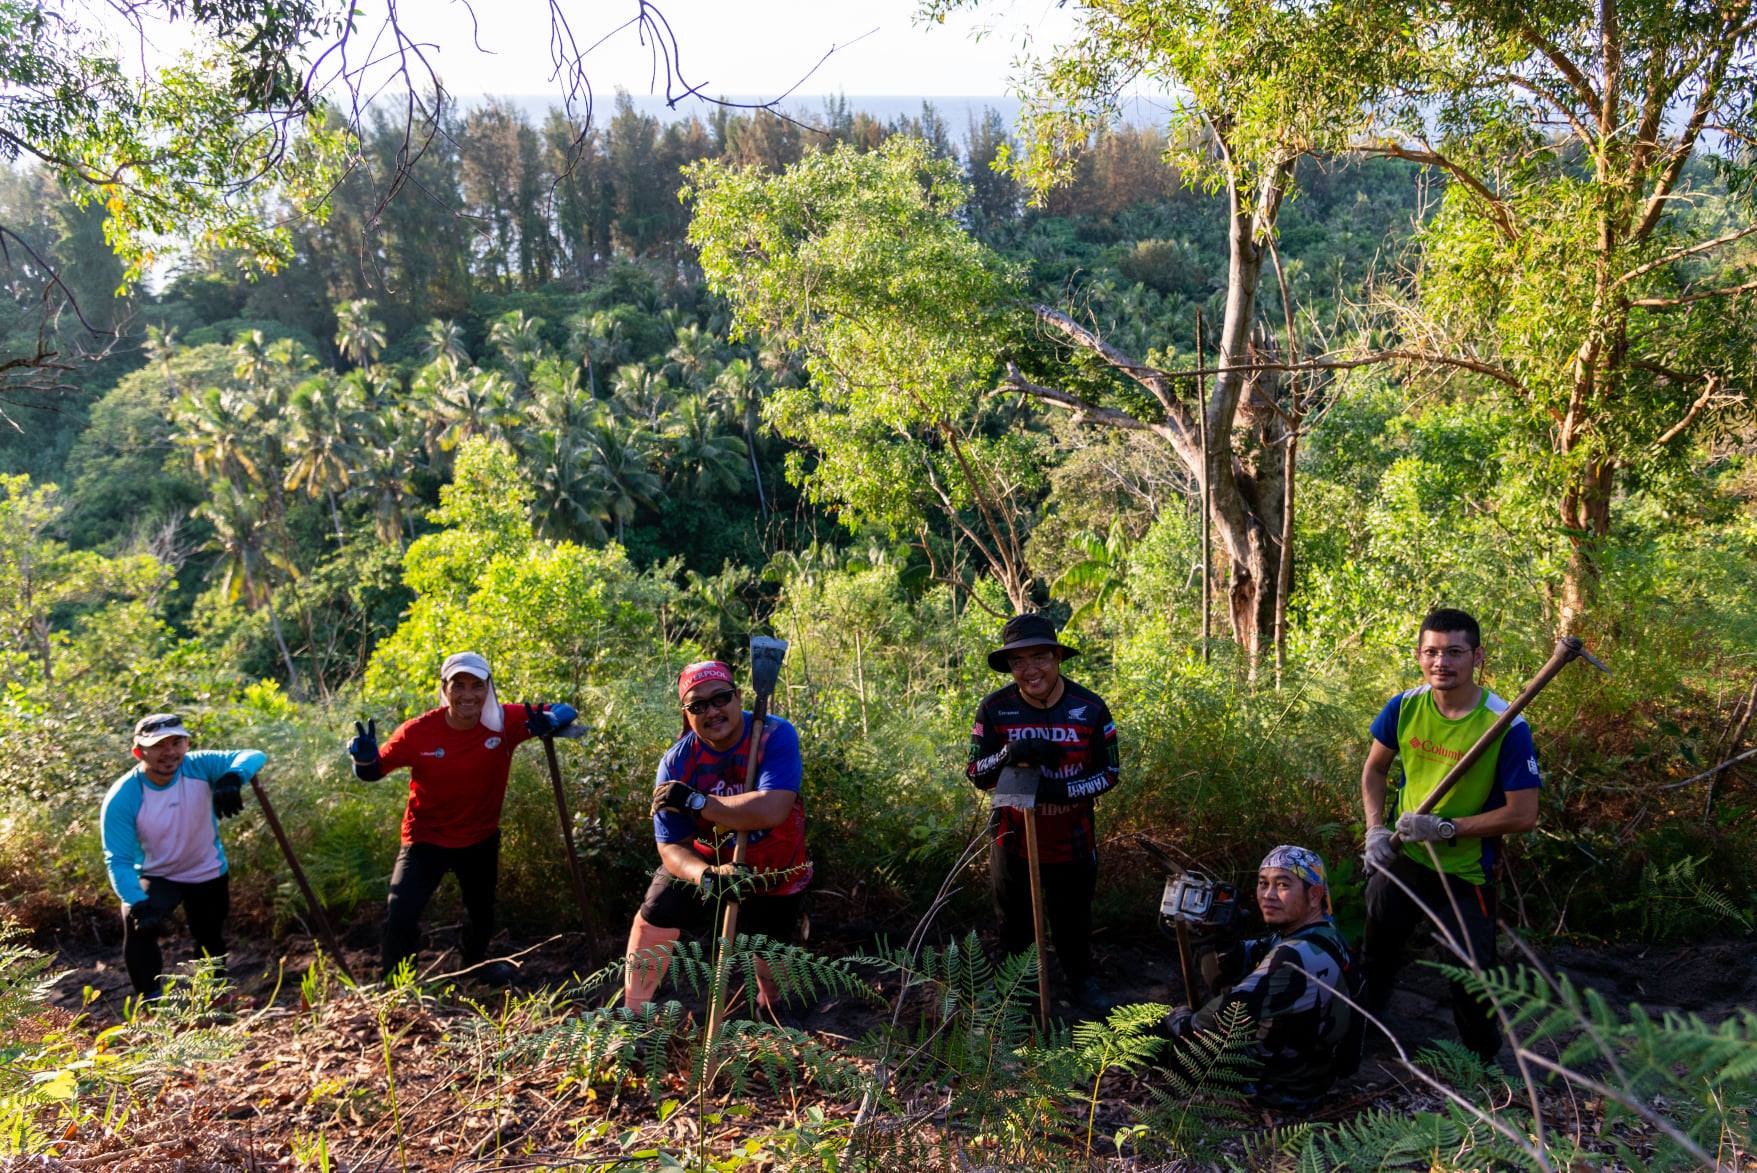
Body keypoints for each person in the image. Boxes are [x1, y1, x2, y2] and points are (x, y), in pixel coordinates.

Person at [1359, 607, 1541, 1060]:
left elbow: (1523, 814)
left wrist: (1444, 827)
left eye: (1455, 652)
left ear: (1477, 656)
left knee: (1471, 976)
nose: (1442, 662)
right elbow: (1374, 771)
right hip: (1405, 859)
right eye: (1432, 652)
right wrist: (1375, 831)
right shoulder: (1404, 707)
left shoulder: (1506, 725)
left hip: (1465, 872)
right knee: (1376, 952)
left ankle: (1480, 1068)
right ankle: (1362, 1036)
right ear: (1420, 656)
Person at [348, 651, 578, 983]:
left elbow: (565, 710)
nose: (467, 695)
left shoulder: (504, 721)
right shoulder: (417, 733)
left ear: (488, 688)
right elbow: (372, 772)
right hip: (425, 839)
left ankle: (474, 965)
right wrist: (364, 760)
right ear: (444, 688)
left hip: (480, 839)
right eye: (458, 686)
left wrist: (552, 721)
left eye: (476, 686)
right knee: (401, 912)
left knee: (481, 914)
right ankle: (397, 983)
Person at [625, 660, 810, 1010]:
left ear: (738, 697)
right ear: (686, 714)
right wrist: (706, 876)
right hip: (713, 864)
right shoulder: (676, 764)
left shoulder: (773, 735)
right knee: (657, 908)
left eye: (720, 698)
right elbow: (670, 847)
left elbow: (773, 809)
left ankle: (772, 1010)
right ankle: (632, 1015)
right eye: (698, 705)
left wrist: (697, 802)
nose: (712, 711)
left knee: (775, 974)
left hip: (776, 869)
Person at [966, 612, 1120, 1017]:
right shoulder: (995, 709)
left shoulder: (1090, 708)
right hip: (1013, 840)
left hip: (1073, 839)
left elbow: (1111, 773)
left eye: (1039, 658)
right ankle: (1019, 1003)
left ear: (1056, 657)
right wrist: (1008, 754)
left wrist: (1062, 790)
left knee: (1073, 926)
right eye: (1018, 661)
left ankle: (1082, 988)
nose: (1029, 670)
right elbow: (975, 773)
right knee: (1014, 932)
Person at [1162, 846, 1359, 1110]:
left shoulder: (1295, 955)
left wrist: (1182, 1024)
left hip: (1283, 1088)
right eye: (1263, 884)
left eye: (1282, 885)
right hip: (1309, 1072)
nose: (1268, 895)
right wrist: (1223, 938)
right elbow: (1244, 958)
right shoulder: (1320, 934)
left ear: (1314, 895)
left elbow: (1229, 1010)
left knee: (1161, 1040)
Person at [100, 714, 267, 999]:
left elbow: (253, 755)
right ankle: (151, 1002)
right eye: (158, 745)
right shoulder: (124, 796)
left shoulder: (200, 766)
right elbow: (118, 860)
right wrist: (139, 905)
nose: (169, 752)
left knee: (209, 936)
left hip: (207, 871)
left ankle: (211, 997)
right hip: (158, 874)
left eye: (176, 742)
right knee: (137, 924)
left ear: (187, 744)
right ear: (139, 752)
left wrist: (233, 776)